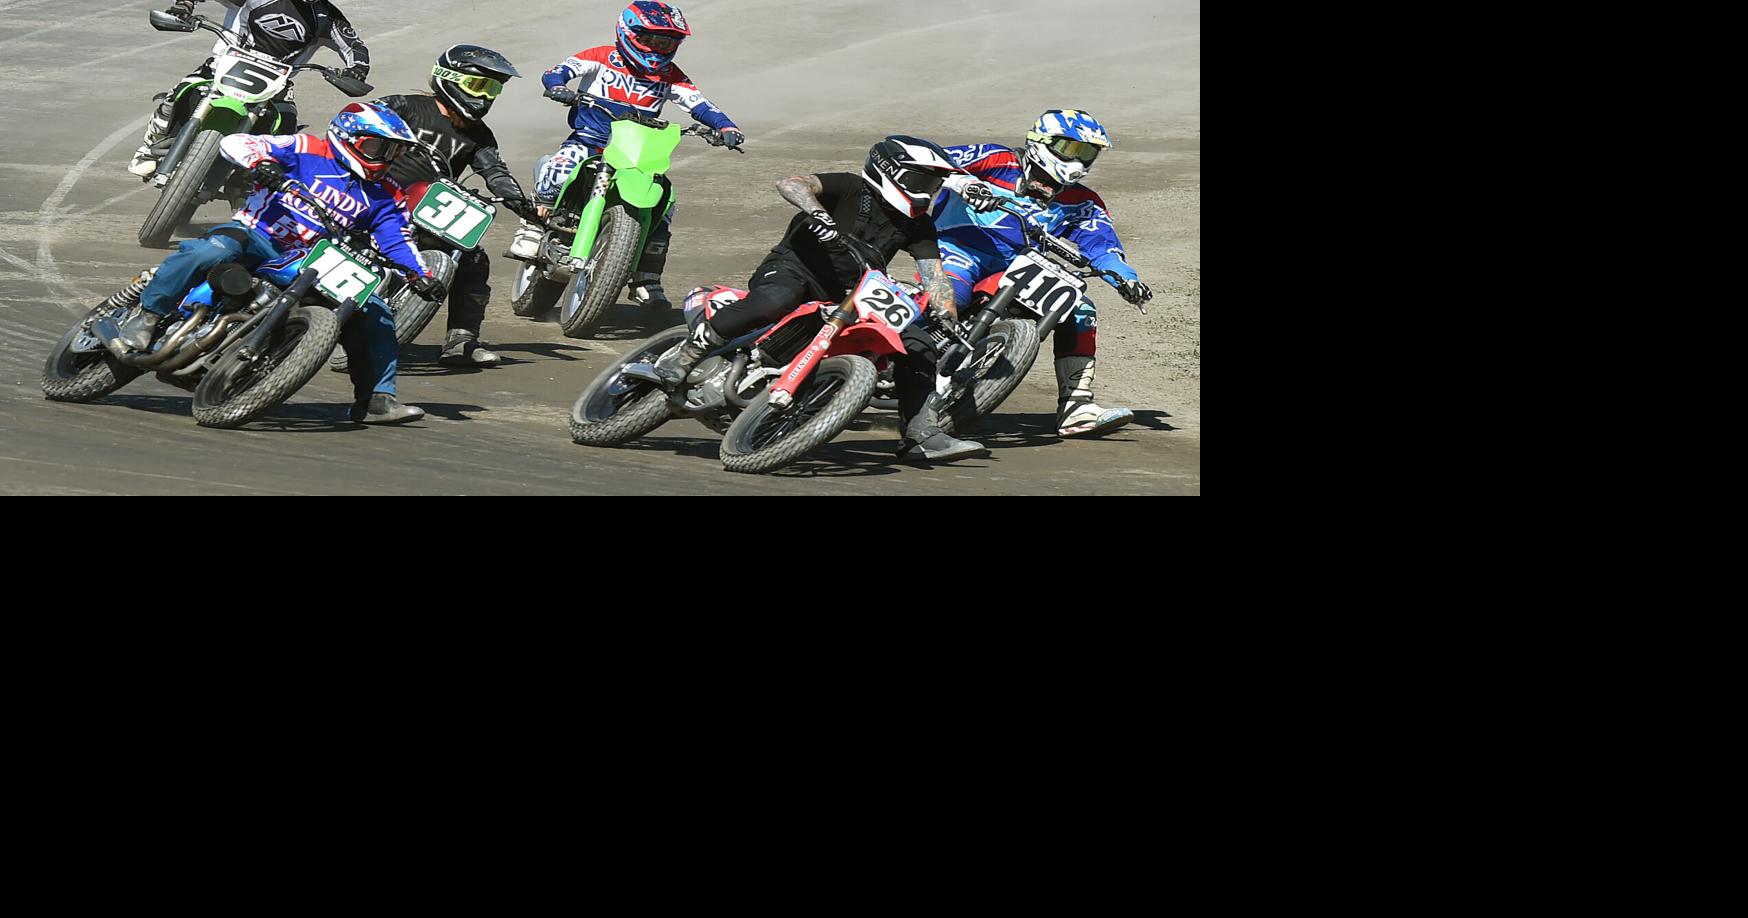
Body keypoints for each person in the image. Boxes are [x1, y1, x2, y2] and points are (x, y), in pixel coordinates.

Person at [646, 135, 986, 463]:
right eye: (922, 181)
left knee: (919, 344)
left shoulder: (919, 225)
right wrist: (817, 212)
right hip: (795, 268)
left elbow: (934, 275)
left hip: (851, 293)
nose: (927, 191)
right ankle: (688, 355)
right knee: (774, 301)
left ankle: (920, 435)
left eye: (933, 184)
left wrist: (947, 314)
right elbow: (791, 183)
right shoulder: (852, 187)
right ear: (891, 171)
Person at [113, 103, 447, 424]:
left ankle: (377, 399)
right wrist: (260, 163)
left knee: (376, 312)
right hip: (257, 234)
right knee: (212, 252)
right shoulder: (306, 147)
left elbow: (396, 239)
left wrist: (420, 274)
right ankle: (148, 315)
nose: (385, 158)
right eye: (377, 147)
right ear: (348, 137)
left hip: (316, 259)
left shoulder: (388, 194)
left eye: (394, 151)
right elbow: (235, 142)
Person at [932, 110, 1155, 438]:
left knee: (1080, 309)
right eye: (1070, 148)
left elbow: (1102, 246)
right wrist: (962, 182)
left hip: (1015, 266)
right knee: (952, 296)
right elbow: (932, 160)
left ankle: (1076, 405)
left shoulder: (1085, 202)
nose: (1078, 161)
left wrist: (1126, 278)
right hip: (957, 249)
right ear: (1041, 142)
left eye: (1087, 153)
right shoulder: (996, 158)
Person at [507, 1, 743, 309]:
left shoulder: (671, 76)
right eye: (651, 40)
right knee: (561, 167)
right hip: (590, 141)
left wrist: (725, 126)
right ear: (629, 33)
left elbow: (700, 104)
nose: (657, 49)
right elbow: (558, 71)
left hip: (636, 152)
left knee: (665, 202)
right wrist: (557, 86)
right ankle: (533, 227)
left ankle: (647, 277)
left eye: (666, 43)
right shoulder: (601, 56)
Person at [375, 44, 538, 367]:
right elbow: (358, 122)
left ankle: (461, 339)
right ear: (449, 78)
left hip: (428, 208)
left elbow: (495, 172)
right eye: (479, 85)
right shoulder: (405, 106)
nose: (486, 97)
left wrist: (524, 206)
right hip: (375, 195)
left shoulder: (480, 136)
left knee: (474, 259)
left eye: (493, 89)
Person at [130, 0, 372, 178]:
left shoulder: (328, 18)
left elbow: (354, 47)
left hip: (277, 83)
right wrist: (184, 6)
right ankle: (150, 149)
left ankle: (250, 181)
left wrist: (357, 69)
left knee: (286, 126)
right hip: (225, 63)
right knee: (179, 93)